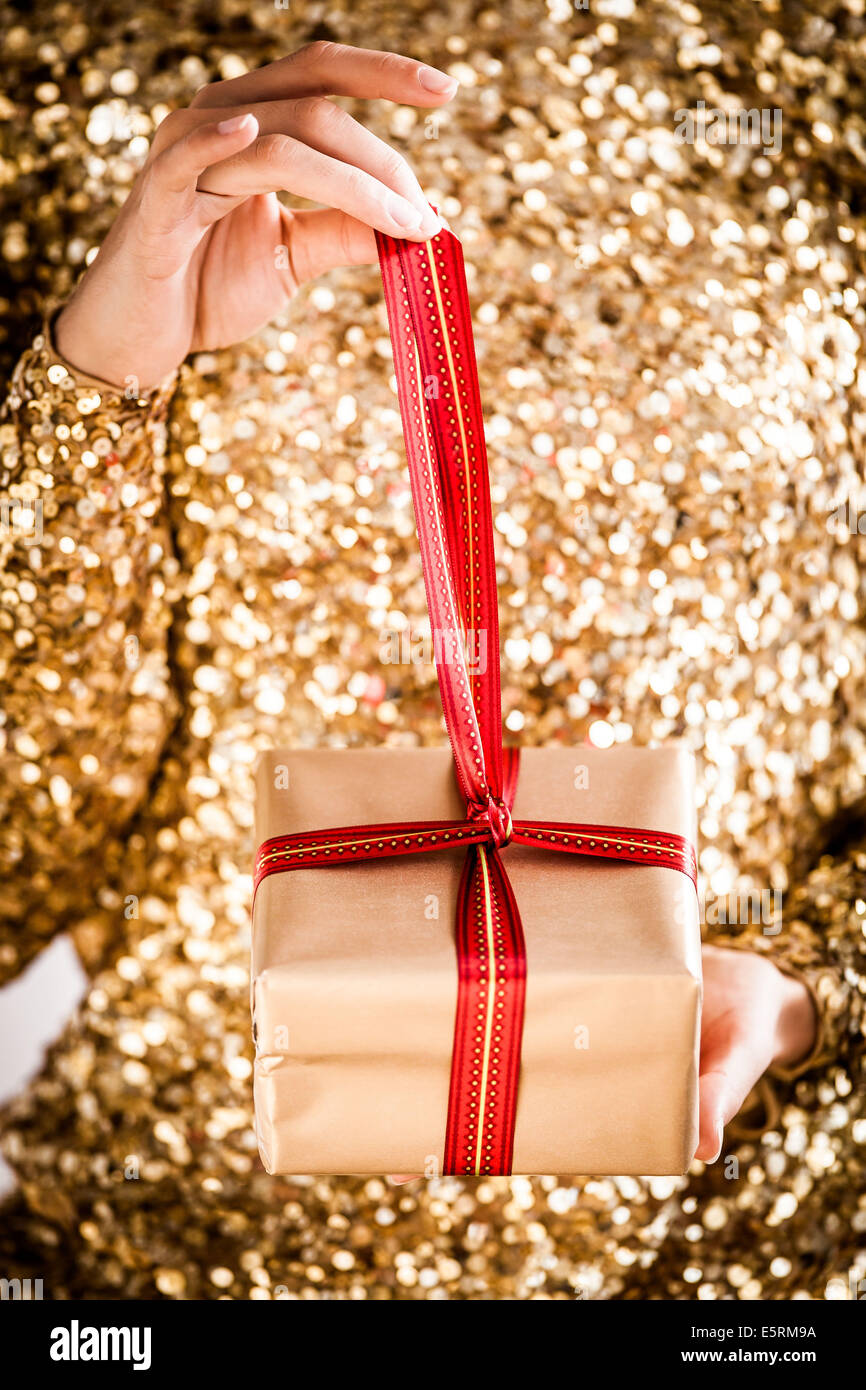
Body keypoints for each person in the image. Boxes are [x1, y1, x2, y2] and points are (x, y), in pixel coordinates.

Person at [1, 36, 862, 1301]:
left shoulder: (830, 67)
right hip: (165, 1267)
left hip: (726, 1270)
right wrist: (99, 386)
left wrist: (810, 973)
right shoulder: (49, 81)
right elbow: (26, 869)